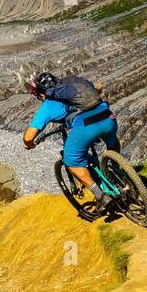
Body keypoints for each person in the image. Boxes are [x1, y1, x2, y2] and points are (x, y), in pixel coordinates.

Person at [23, 71, 121, 212]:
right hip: (107, 117)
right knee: (112, 142)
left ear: (41, 93)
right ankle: (118, 171)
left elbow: (28, 137)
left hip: (86, 126)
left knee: (72, 161)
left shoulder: (48, 105)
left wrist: (29, 144)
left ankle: (101, 196)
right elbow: (98, 87)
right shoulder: (72, 87)